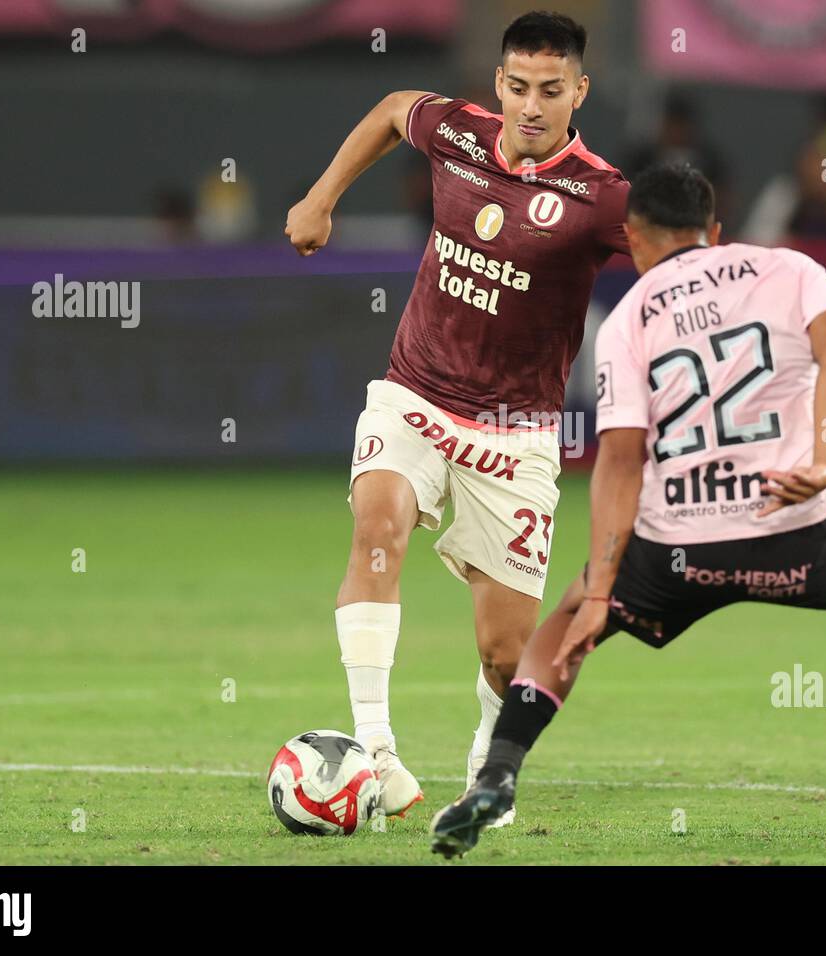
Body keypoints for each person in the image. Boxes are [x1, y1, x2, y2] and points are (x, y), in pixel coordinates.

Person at [430, 162, 826, 857]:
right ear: (716, 230)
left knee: (561, 629)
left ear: (633, 237)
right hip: (792, 524)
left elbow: (619, 460)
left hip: (675, 545)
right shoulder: (789, 269)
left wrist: (602, 593)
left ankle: (494, 780)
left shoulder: (628, 319)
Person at [284, 12, 630, 825]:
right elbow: (390, 107)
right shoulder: (461, 135)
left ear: (579, 91)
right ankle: (373, 753)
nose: (531, 106)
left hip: (514, 435)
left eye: (551, 90)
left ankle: (487, 755)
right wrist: (319, 197)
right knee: (377, 529)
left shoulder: (600, 196)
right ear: (499, 85)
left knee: (507, 654)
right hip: (414, 394)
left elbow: (667, 255)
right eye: (517, 87)